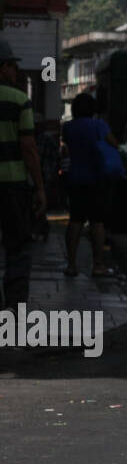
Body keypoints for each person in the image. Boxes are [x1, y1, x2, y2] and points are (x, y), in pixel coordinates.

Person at [0, 40, 46, 307]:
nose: (16, 71)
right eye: (13, 66)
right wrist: (39, 188)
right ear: (4, 68)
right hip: (13, 186)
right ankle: (13, 309)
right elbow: (29, 147)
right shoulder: (20, 101)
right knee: (17, 247)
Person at [61, 92, 118, 277]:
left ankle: (71, 264)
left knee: (75, 220)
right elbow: (113, 144)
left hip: (75, 179)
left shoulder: (68, 127)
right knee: (97, 222)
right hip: (96, 179)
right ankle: (98, 265)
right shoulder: (99, 125)